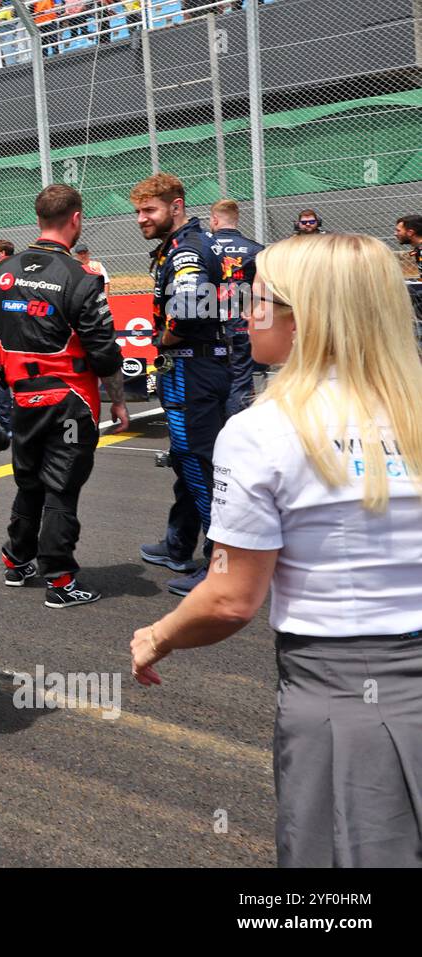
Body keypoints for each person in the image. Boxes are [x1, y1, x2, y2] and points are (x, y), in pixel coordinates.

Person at [131, 233, 422, 867]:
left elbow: (231, 599)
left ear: (303, 319)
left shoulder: (262, 430)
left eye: (256, 298)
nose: (239, 310)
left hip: (345, 690)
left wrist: (158, 635)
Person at [0, 185, 128, 606]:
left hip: (22, 398)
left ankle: (16, 560)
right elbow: (104, 351)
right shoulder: (81, 279)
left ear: (38, 216)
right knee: (61, 489)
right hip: (70, 402)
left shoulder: (0, 272)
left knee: (29, 482)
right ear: (76, 219)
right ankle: (60, 580)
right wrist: (118, 401)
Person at [131, 173, 228, 596]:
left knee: (197, 463)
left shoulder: (187, 249)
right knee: (186, 458)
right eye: (137, 211)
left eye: (149, 210)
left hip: (193, 369)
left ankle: (220, 563)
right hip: (200, 367)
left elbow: (188, 312)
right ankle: (178, 544)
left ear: (176, 206)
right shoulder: (180, 245)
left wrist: (162, 341)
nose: (140, 218)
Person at [208, 198, 264, 417]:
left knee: (209, 376)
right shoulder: (255, 249)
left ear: (214, 219)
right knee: (240, 378)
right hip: (240, 320)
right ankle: (237, 430)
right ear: (236, 219)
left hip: (208, 322)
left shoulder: (202, 247)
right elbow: (263, 291)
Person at [395, 214, 422, 279]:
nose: (395, 234)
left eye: (398, 231)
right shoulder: (418, 249)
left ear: (410, 232)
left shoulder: (420, 251)